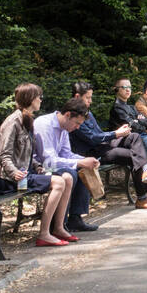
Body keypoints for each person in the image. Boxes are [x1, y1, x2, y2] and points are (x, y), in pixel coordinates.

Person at [0, 83, 76, 247]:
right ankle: (44, 234)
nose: (41, 100)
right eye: (39, 97)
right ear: (30, 99)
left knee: (67, 178)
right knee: (58, 182)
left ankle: (58, 228)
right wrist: (14, 172)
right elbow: (4, 155)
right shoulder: (13, 122)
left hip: (24, 175)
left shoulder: (27, 120)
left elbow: (26, 155)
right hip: (8, 180)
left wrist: (37, 166)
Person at [67, 81, 147, 210]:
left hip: (103, 145)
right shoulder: (74, 116)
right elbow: (92, 139)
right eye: (88, 98)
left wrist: (118, 133)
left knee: (134, 137)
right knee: (135, 156)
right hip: (94, 153)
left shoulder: (88, 113)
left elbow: (99, 133)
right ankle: (142, 198)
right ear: (77, 96)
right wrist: (115, 134)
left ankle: (146, 170)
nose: (91, 101)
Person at [33, 96, 102, 232]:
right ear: (68, 115)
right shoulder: (44, 124)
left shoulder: (64, 128)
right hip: (38, 168)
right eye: (77, 123)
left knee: (82, 168)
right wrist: (80, 162)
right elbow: (48, 161)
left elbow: (66, 154)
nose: (77, 127)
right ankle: (58, 225)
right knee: (70, 173)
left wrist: (85, 160)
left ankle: (75, 218)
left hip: (52, 166)